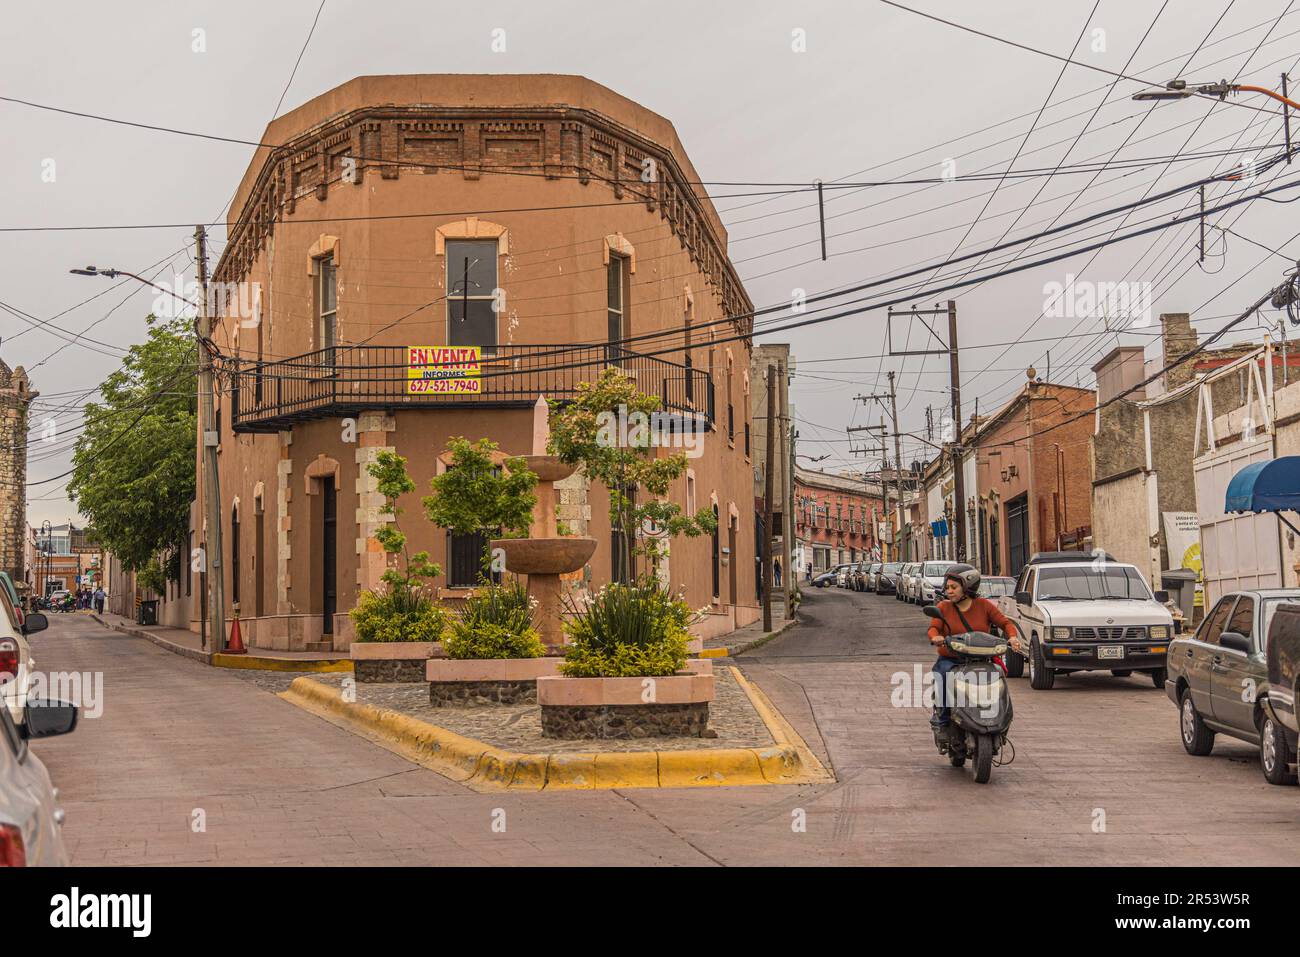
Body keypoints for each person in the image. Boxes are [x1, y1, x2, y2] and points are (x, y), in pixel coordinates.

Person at [925, 564, 1021, 739]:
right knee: (943, 675)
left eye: (954, 587)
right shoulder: (944, 607)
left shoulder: (984, 605)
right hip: (952, 660)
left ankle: (1000, 718)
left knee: (997, 679)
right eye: (947, 588)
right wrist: (935, 637)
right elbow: (933, 628)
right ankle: (943, 720)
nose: (949, 591)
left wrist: (1013, 637)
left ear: (968, 587)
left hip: (981, 660)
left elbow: (1006, 623)